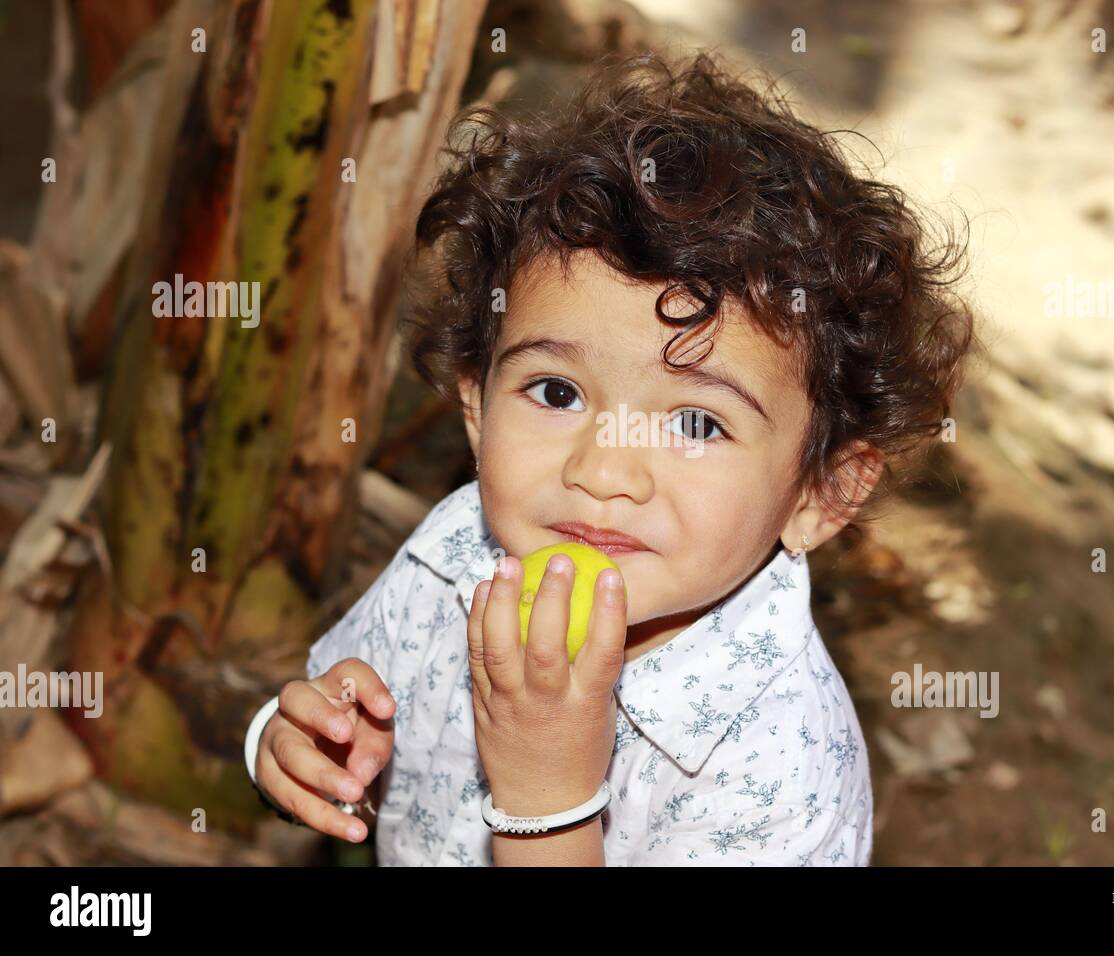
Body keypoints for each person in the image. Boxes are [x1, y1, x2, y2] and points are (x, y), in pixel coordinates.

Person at [244, 49, 975, 865]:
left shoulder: (776, 768)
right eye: (557, 394)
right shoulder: (457, 554)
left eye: (697, 424)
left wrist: (546, 799)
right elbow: (343, 714)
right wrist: (296, 745)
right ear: (476, 406)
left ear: (822, 493)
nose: (602, 471)